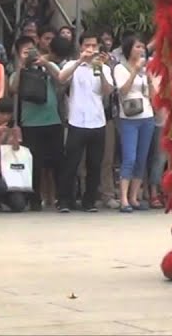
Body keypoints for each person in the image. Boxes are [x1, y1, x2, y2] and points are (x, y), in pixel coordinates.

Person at [56, 33, 111, 214]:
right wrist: (80, 61)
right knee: (71, 163)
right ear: (80, 47)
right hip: (77, 121)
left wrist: (101, 70)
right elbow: (61, 78)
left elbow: (108, 91)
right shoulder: (72, 64)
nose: (91, 49)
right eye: (87, 45)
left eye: (94, 45)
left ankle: (89, 201)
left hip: (97, 121)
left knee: (94, 164)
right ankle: (64, 200)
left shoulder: (104, 67)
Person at [9, 35, 65, 211]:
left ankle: (60, 198)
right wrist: (20, 68)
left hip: (53, 120)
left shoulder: (47, 66)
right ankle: (34, 200)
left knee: (57, 161)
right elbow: (13, 89)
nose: (29, 53)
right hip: (31, 123)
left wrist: (45, 63)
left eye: (31, 50)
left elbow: (61, 79)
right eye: (25, 51)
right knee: (34, 163)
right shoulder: (18, 71)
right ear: (18, 54)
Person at [113, 36, 156, 213]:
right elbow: (122, 91)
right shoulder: (119, 68)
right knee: (129, 157)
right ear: (129, 49)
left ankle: (134, 196)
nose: (141, 50)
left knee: (141, 158)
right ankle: (123, 198)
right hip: (129, 117)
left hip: (147, 115)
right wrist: (134, 71)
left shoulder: (145, 69)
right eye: (138, 46)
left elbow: (152, 96)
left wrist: (150, 78)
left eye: (142, 47)